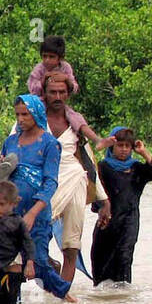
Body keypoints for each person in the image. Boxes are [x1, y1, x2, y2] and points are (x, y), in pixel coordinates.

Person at [0, 94, 76, 303]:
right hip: (11, 214)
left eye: (25, 114)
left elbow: (50, 182)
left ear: (37, 114)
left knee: (39, 262)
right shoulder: (10, 142)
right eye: (17, 115)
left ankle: (65, 296)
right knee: (10, 263)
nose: (21, 119)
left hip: (38, 213)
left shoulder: (50, 144)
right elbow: (2, 175)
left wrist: (33, 213)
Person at [42, 72, 103, 284]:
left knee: (71, 245)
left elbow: (88, 163)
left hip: (75, 182)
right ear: (45, 93)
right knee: (31, 236)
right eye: (53, 92)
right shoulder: (33, 118)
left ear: (68, 95)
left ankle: (62, 296)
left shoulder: (76, 125)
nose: (57, 97)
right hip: (43, 185)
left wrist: (103, 200)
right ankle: (48, 267)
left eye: (62, 92)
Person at [91, 128, 152, 285]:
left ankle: (124, 302)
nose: (124, 150)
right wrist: (101, 145)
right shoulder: (103, 168)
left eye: (127, 146)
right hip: (107, 223)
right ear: (112, 147)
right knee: (101, 265)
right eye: (120, 145)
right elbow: (92, 190)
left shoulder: (137, 168)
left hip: (129, 222)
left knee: (124, 259)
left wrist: (144, 153)